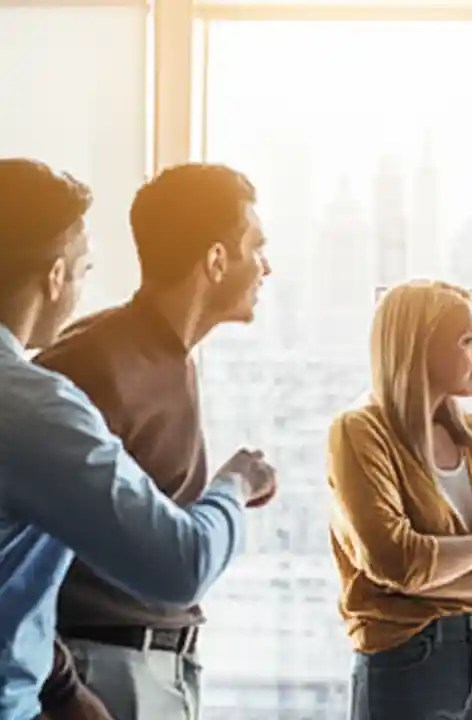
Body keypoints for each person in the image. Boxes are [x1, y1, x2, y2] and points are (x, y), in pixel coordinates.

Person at [0, 158, 276, 720]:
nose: (267, 268)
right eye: (257, 247)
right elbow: (180, 564)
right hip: (104, 670)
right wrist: (235, 484)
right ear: (55, 277)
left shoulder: (171, 363)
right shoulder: (69, 380)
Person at [327, 280, 472, 720]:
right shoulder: (360, 433)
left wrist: (419, 585)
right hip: (406, 662)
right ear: (418, 348)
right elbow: (397, 562)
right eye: (467, 340)